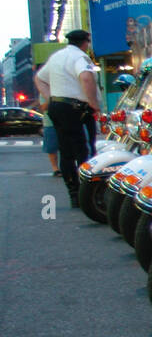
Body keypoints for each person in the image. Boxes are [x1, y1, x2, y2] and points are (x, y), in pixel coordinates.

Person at [35, 29, 102, 208]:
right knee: (85, 151)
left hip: (57, 107)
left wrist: (50, 97)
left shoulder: (56, 57)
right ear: (85, 43)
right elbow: (87, 78)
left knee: (66, 152)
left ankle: (73, 192)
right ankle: (88, 192)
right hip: (77, 109)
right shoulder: (81, 58)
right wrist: (93, 103)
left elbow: (39, 78)